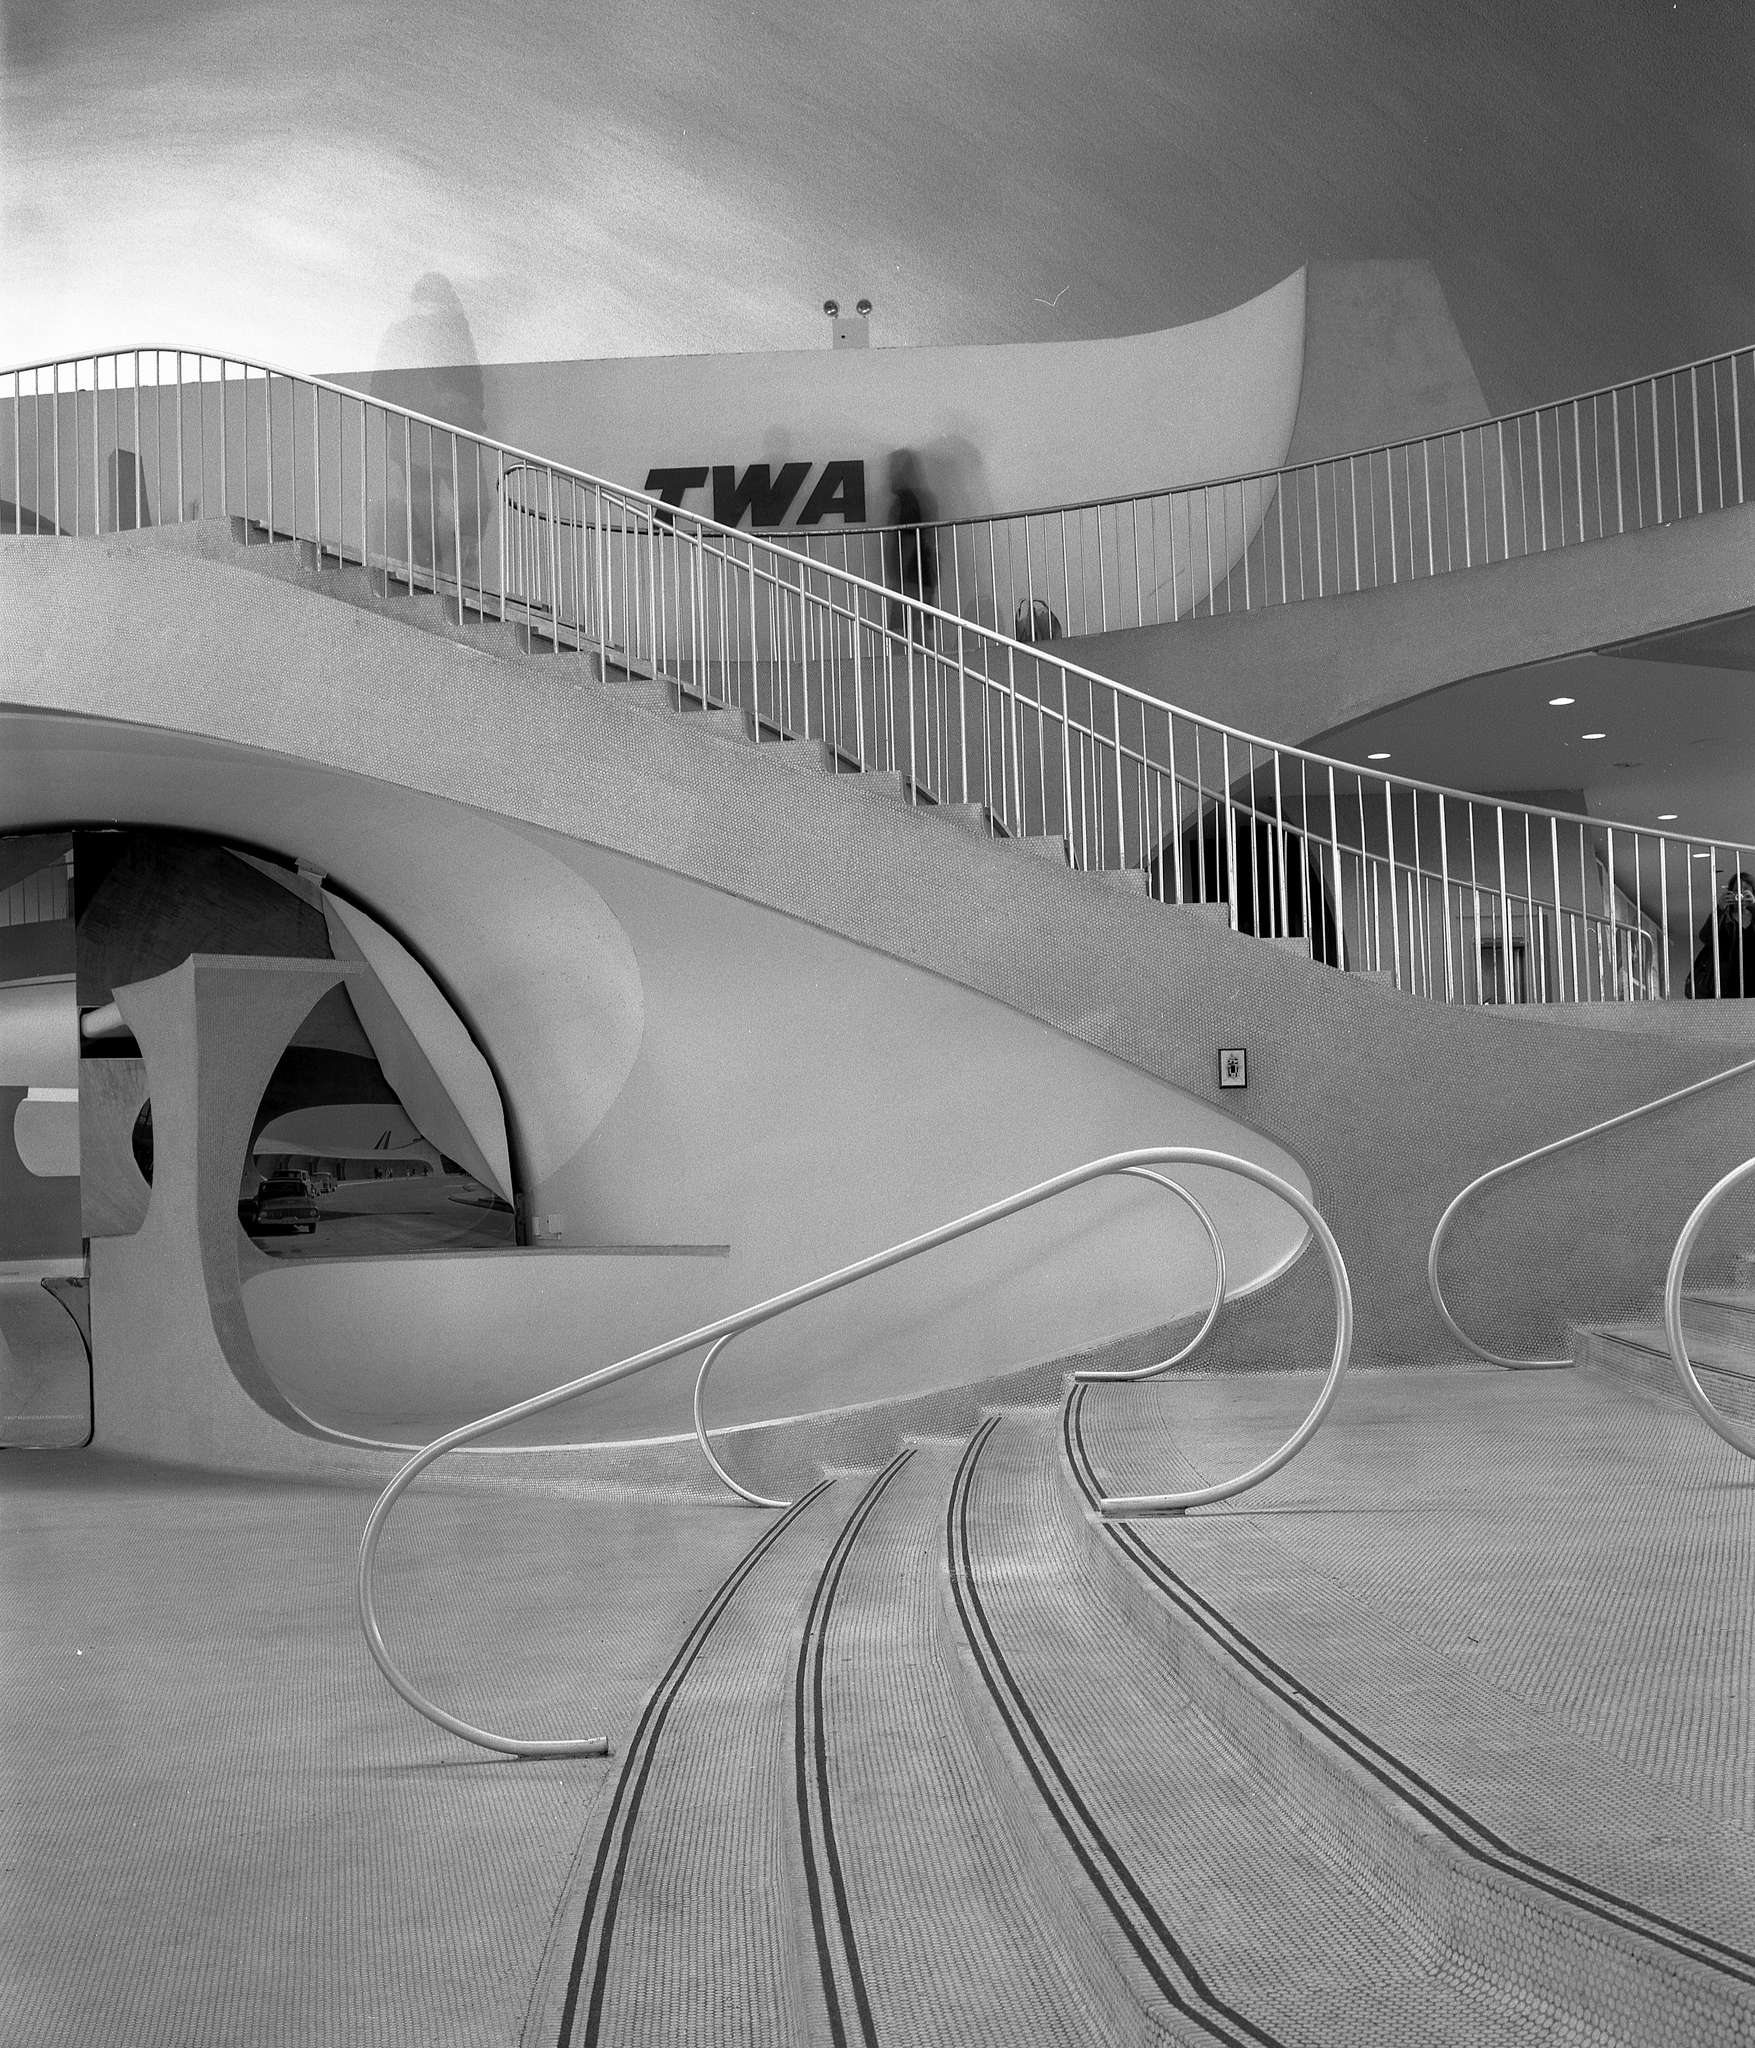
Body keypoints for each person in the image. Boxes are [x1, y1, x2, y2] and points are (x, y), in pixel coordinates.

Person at [882, 450, 937, 641]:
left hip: (912, 582)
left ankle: (910, 668)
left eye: (893, 470)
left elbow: (909, 541)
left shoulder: (906, 503)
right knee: (914, 631)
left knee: (901, 633)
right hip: (917, 580)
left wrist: (898, 579)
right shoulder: (911, 501)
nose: (889, 475)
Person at [1686, 871, 1755, 996]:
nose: (1740, 894)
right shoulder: (1724, 918)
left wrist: (1754, 906)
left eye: (1746, 890)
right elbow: (1705, 937)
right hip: (1727, 982)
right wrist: (1720, 908)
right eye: (1736, 890)